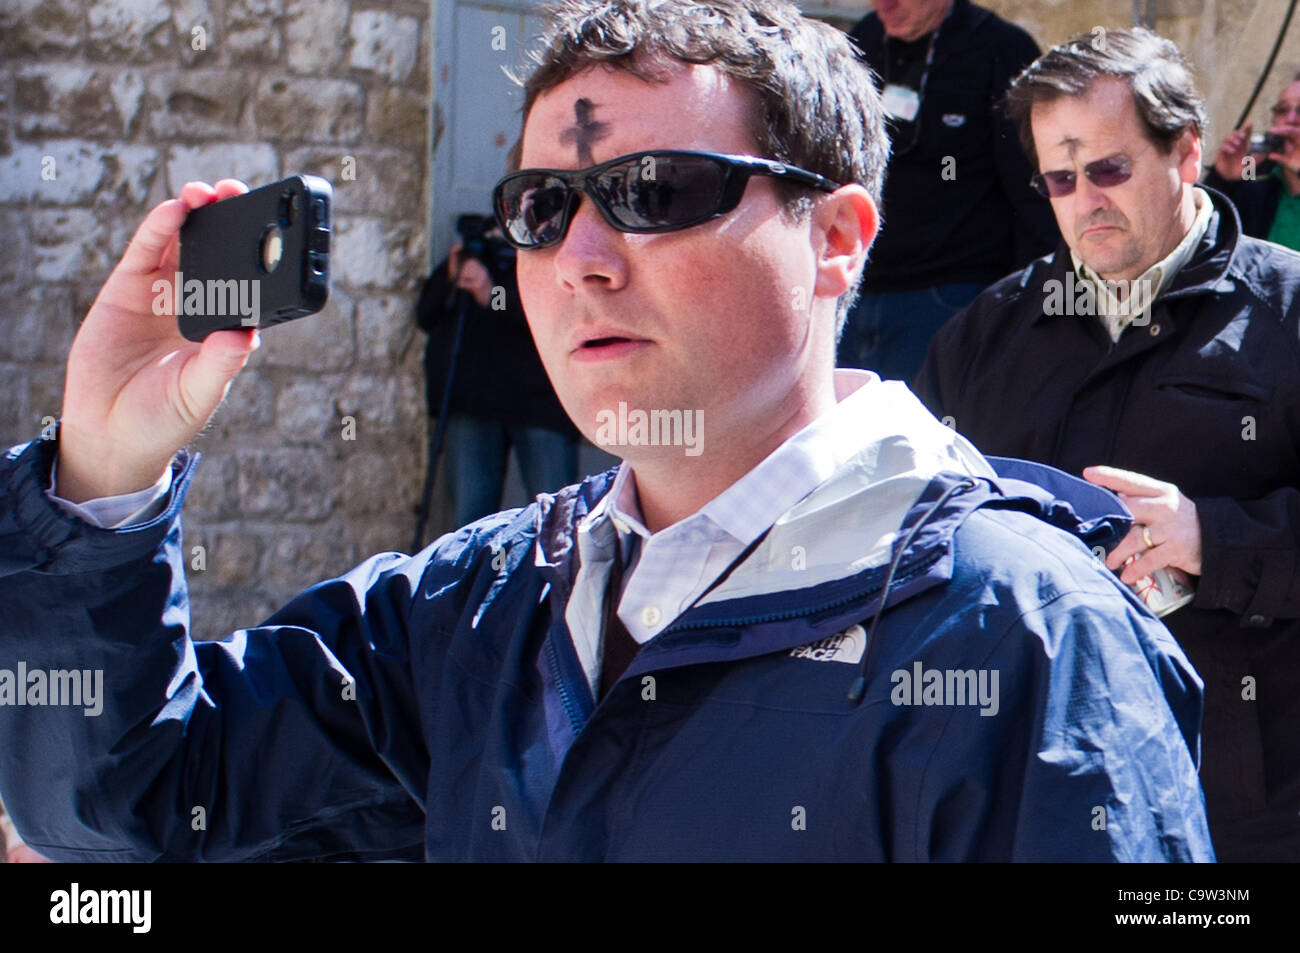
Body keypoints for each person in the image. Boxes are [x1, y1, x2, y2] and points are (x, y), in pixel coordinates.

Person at [0, 0, 1211, 861]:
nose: (578, 258)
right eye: (539, 207)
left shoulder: (1026, 639)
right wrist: (105, 472)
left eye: (656, 193)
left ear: (836, 238)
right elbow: (126, 810)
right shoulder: (486, 605)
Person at [914, 28, 1300, 861]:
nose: (1084, 198)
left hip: (1240, 788)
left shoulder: (1289, 313)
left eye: (1109, 169)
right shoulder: (987, 331)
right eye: (1060, 178)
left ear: (1187, 153)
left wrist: (1214, 537)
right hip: (1035, 774)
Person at [837, 0, 1058, 382]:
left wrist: (1029, 309)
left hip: (949, 298)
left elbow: (1033, 194)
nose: (883, 3)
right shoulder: (864, 41)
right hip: (857, 293)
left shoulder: (999, 49)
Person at [414, 215, 579, 529]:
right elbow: (425, 315)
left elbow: (553, 317)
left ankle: (561, 579)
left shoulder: (556, 253)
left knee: (557, 519)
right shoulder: (476, 253)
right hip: (475, 404)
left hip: (540, 405)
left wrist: (491, 294)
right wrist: (450, 276)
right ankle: (471, 578)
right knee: (470, 522)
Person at [1204, 73, 1300, 250]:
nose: (1291, 119)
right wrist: (1225, 180)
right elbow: (1206, 231)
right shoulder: (1258, 168)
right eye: (1282, 110)